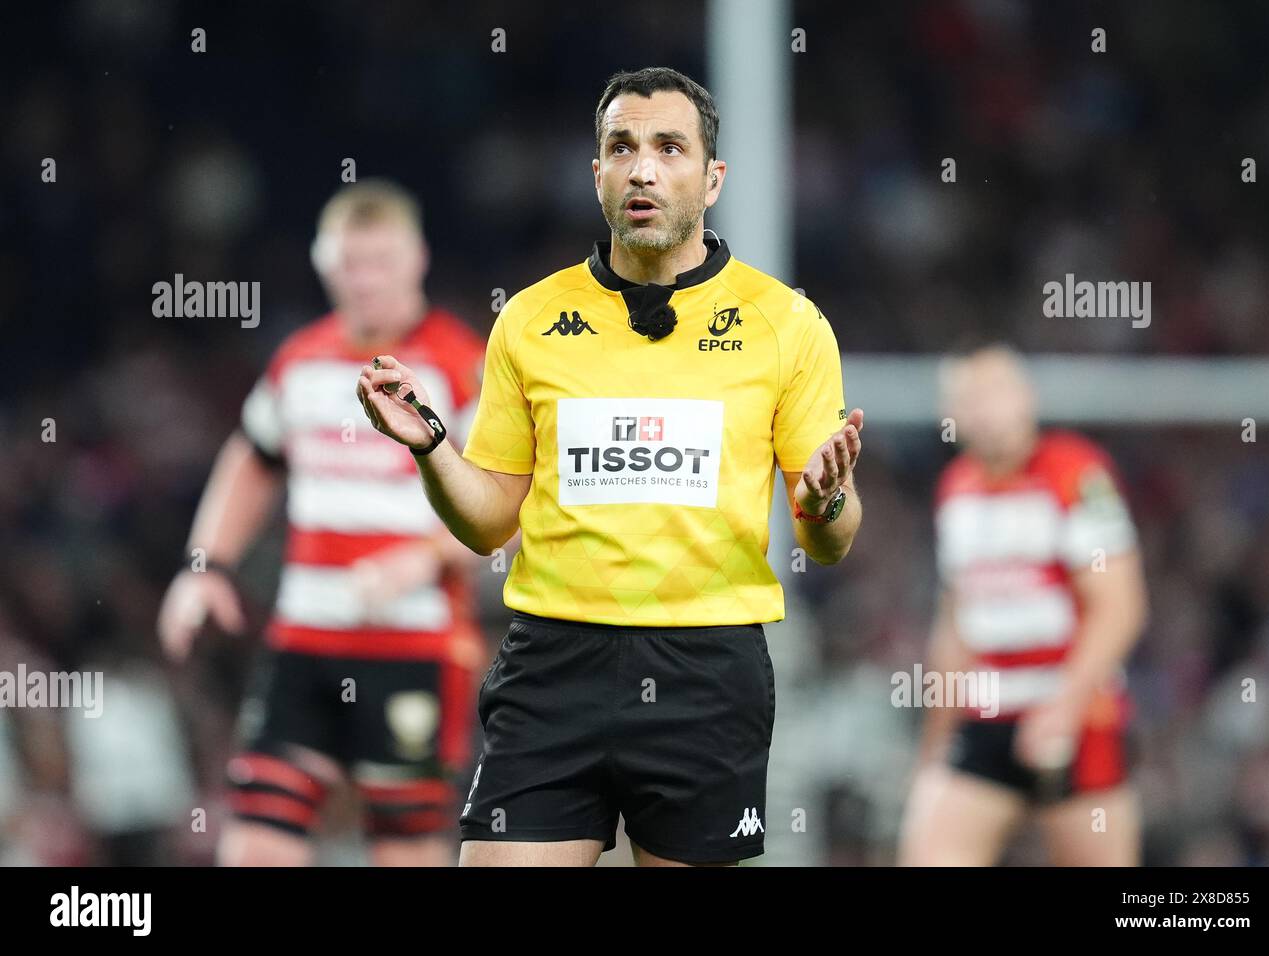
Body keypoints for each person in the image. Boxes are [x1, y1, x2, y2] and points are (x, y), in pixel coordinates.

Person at [357, 67, 864, 867]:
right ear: (597, 174)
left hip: (706, 669)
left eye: (669, 147)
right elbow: (490, 519)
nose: (643, 168)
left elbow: (829, 538)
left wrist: (828, 501)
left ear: (713, 176)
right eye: (621, 148)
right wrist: (432, 451)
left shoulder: (786, 324)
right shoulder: (528, 319)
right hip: (555, 663)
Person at [158, 180, 487, 866]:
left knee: (405, 844)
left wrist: (425, 556)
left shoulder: (460, 365)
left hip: (413, 645)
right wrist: (204, 567)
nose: (364, 280)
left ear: (416, 258)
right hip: (304, 637)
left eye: (380, 261)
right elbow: (251, 458)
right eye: (349, 263)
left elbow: (509, 501)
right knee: (254, 834)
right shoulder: (300, 361)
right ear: (323, 264)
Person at [899, 342, 1147, 866]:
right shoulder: (957, 489)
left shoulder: (1075, 473)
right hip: (988, 714)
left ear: (1027, 399)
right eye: (970, 400)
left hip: (1079, 720)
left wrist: (1065, 706)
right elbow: (956, 624)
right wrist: (934, 743)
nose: (985, 412)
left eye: (995, 394)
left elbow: (1120, 605)